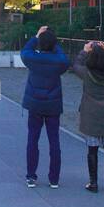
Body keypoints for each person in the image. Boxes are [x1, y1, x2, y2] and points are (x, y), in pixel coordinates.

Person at [20, 26, 70, 189]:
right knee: (54, 141)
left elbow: (25, 50)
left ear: (40, 44)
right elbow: (63, 58)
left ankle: (31, 176)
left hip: (35, 104)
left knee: (32, 139)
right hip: (53, 104)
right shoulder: (59, 62)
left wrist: (37, 36)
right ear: (54, 44)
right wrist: (52, 41)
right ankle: (54, 178)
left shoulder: (32, 59)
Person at [72, 40, 104, 192]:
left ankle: (93, 183)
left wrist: (84, 51)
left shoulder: (86, 73)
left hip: (91, 114)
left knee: (92, 149)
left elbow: (76, 65)